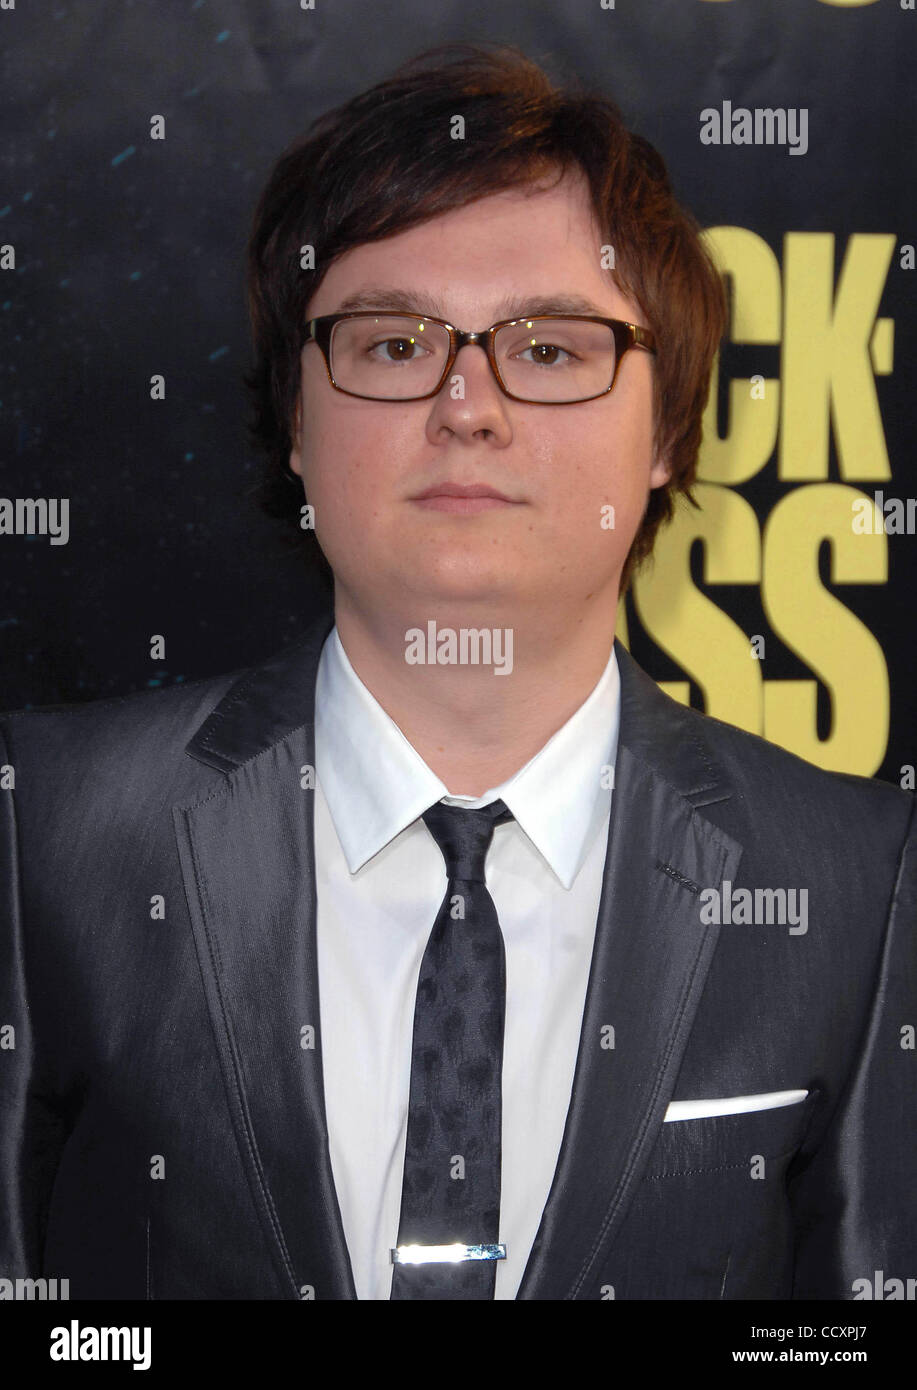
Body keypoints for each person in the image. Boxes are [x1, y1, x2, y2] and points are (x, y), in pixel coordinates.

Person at [1, 42, 914, 1302]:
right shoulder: (44, 823)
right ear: (297, 424)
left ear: (665, 429)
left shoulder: (855, 876)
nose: (466, 404)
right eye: (389, 345)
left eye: (547, 350)